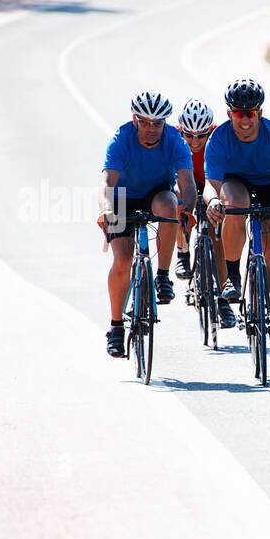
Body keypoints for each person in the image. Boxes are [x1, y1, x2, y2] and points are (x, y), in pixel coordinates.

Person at [202, 78, 270, 361]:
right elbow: (211, 185)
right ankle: (233, 276)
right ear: (229, 114)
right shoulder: (219, 138)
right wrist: (213, 200)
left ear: (260, 113)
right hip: (236, 183)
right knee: (235, 203)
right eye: (239, 113)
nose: (245, 120)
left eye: (251, 113)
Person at [95, 90, 196, 357]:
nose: (152, 129)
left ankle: (162, 276)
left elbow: (188, 183)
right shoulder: (121, 139)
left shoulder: (175, 139)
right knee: (122, 261)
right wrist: (106, 210)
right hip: (122, 197)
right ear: (135, 120)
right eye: (145, 123)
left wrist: (188, 210)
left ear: (165, 123)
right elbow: (107, 183)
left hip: (156, 193)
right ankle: (116, 327)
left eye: (158, 124)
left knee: (171, 204)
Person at [173, 98, 236, 329]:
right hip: (185, 183)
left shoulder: (219, 136)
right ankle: (182, 253)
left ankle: (222, 300)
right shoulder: (173, 137)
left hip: (212, 183)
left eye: (201, 136)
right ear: (182, 130)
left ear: (210, 129)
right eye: (189, 135)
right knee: (178, 199)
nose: (195, 141)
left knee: (215, 236)